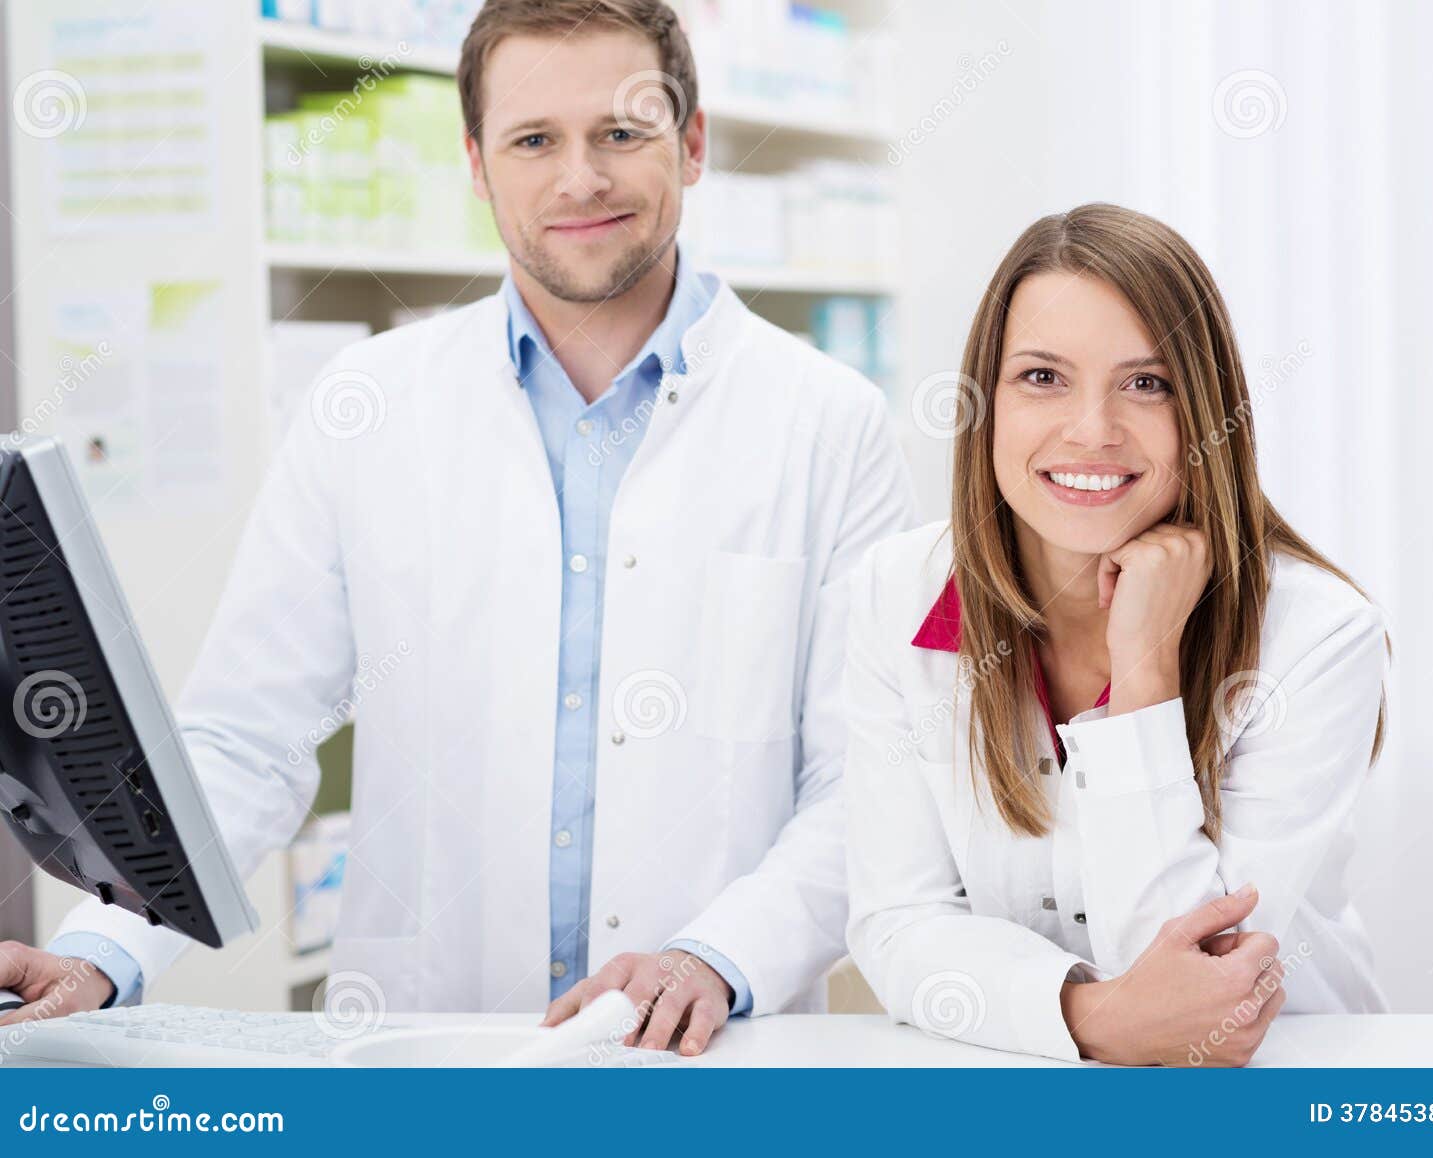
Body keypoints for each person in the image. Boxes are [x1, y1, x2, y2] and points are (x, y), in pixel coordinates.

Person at [0, 0, 914, 1058]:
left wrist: (717, 955)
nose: (580, 178)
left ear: (693, 144)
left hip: (704, 1050)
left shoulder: (827, 421)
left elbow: (866, 782)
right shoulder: (368, 402)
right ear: (477, 164)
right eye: (534, 140)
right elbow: (251, 734)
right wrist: (106, 947)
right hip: (424, 1043)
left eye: (622, 131)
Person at [844, 203, 1390, 1066]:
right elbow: (900, 922)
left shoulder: (1317, 636)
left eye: (1148, 383)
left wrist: (1146, 667)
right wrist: (1088, 1020)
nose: (1092, 430)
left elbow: (1204, 987)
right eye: (1042, 378)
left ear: (1207, 411)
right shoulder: (894, 591)